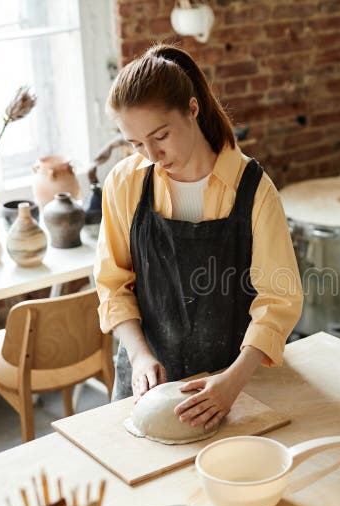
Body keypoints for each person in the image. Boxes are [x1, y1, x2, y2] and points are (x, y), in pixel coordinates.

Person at [95, 44, 303, 433]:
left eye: (160, 136)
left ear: (192, 109)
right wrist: (140, 357)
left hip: (232, 384)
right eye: (136, 144)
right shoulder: (124, 182)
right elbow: (112, 284)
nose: (151, 154)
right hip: (145, 384)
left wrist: (232, 383)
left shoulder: (252, 189)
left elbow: (278, 300)